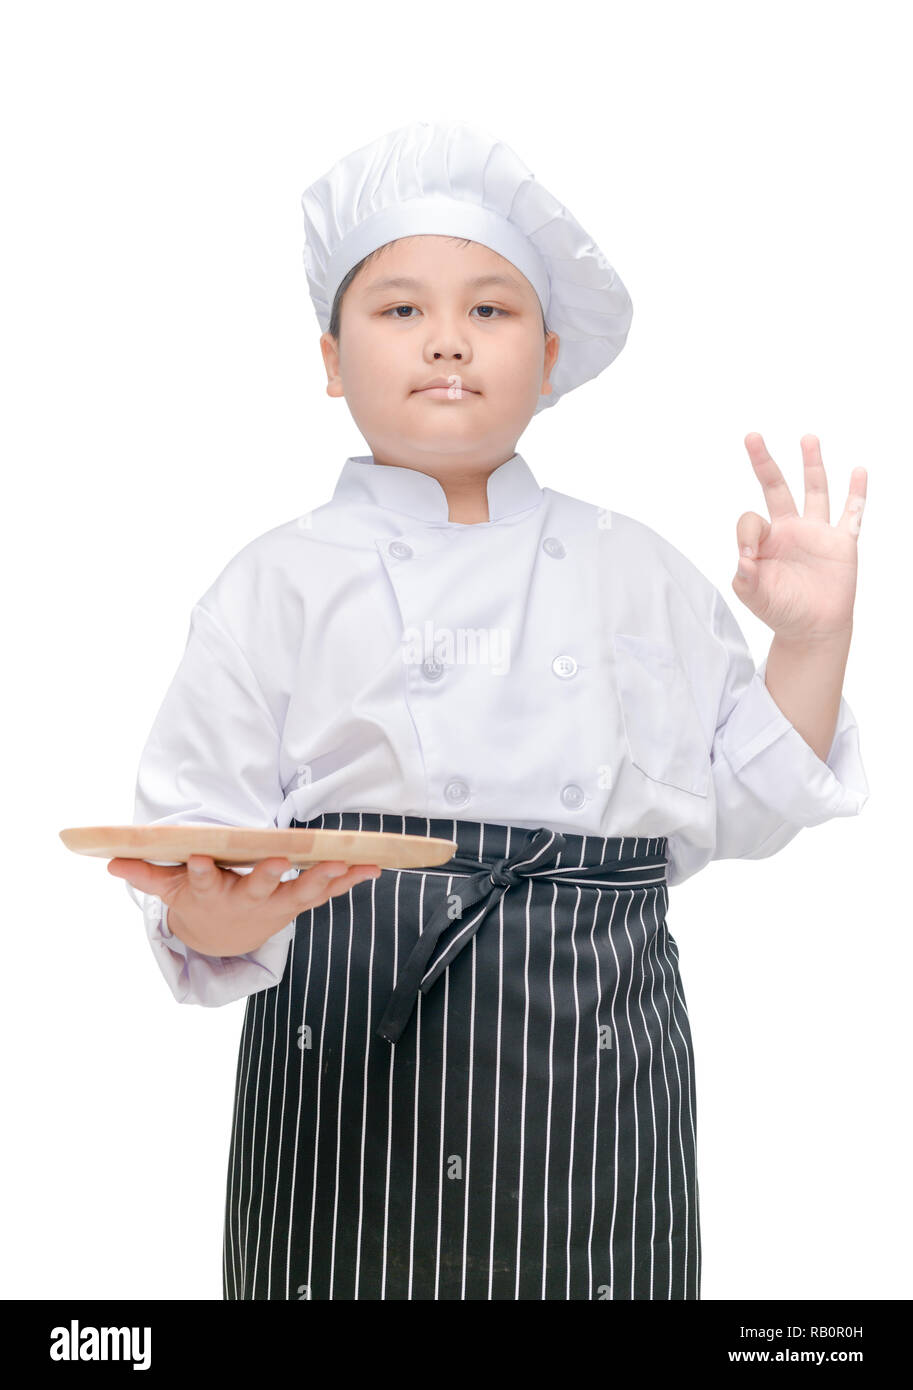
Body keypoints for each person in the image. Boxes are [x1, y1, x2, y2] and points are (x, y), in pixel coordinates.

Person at [108, 120, 869, 1301]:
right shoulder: (270, 585)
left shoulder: (637, 570)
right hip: (348, 1062)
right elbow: (201, 898)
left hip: (596, 1071)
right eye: (400, 308)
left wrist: (811, 638)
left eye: (492, 310)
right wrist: (208, 917)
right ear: (328, 355)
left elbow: (756, 799)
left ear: (550, 354)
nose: (448, 340)